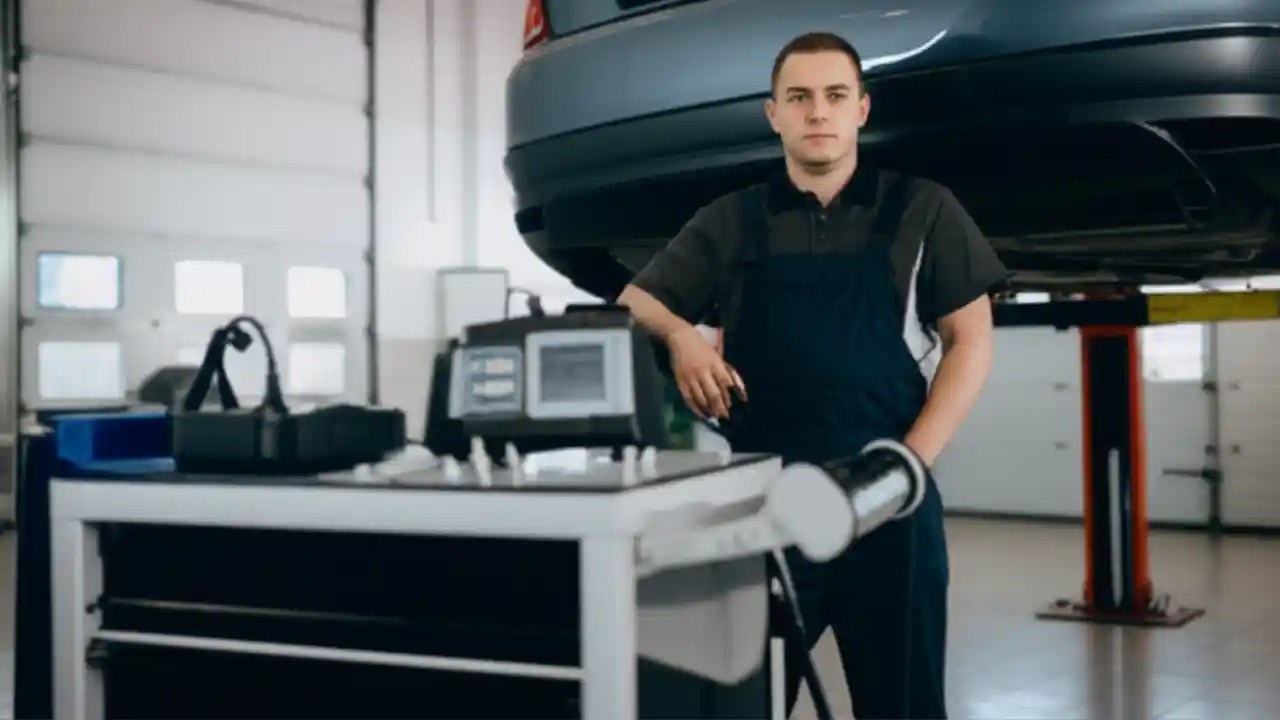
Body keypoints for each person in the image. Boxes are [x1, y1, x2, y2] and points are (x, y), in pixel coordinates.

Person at [617, 31, 1009, 720]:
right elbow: (636, 302)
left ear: (862, 108)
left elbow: (970, 337)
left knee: (904, 705)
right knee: (743, 702)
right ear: (774, 114)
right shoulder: (733, 219)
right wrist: (682, 336)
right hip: (764, 508)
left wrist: (912, 464)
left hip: (890, 503)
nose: (817, 112)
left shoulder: (924, 208)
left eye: (834, 96)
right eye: (799, 98)